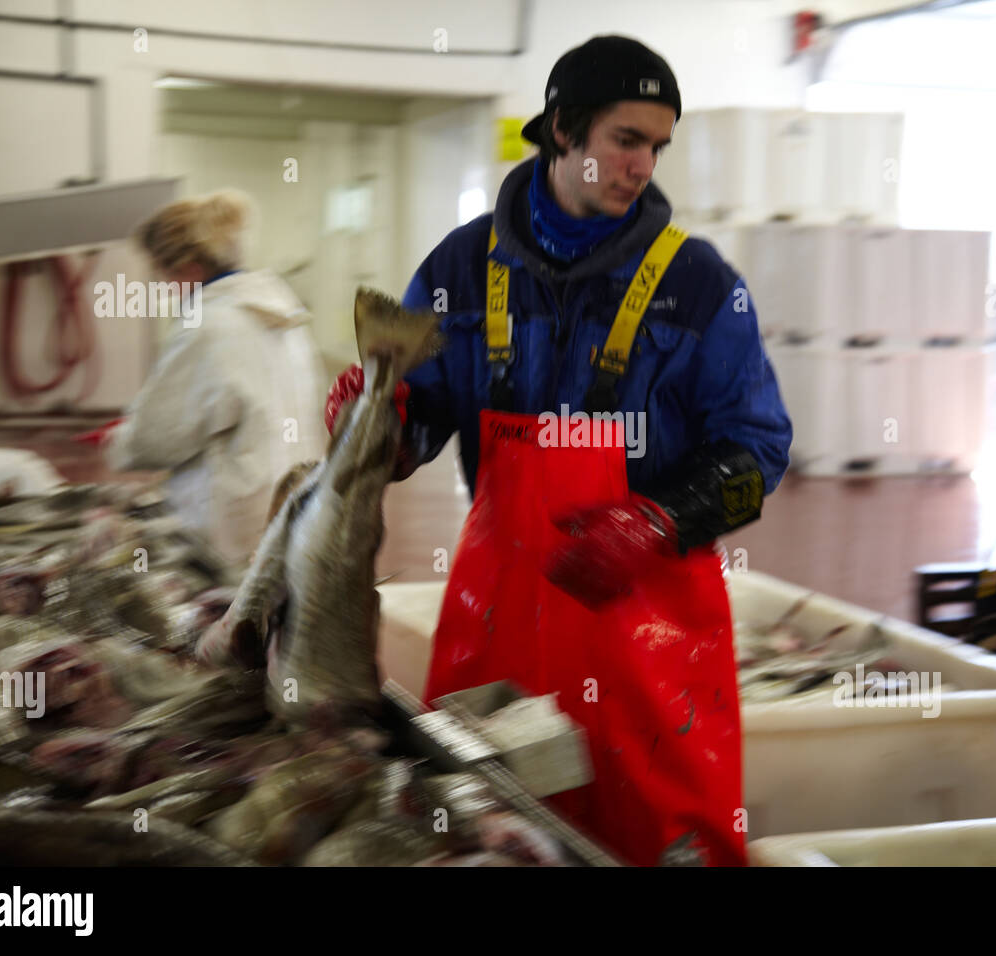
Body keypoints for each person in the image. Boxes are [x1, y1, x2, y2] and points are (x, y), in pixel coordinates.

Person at [328, 36, 792, 866]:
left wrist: (657, 521)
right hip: (499, 614)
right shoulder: (459, 268)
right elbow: (420, 422)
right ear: (562, 131)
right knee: (483, 825)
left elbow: (757, 453)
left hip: (649, 631)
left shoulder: (699, 282)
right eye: (625, 139)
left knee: (663, 838)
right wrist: (380, 425)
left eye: (658, 146)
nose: (644, 165)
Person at [101, 190, 328, 566]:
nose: (164, 290)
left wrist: (118, 439)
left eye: (162, 276)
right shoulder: (285, 318)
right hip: (294, 512)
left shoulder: (206, 327)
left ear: (189, 269)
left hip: (229, 527)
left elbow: (155, 439)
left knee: (225, 616)